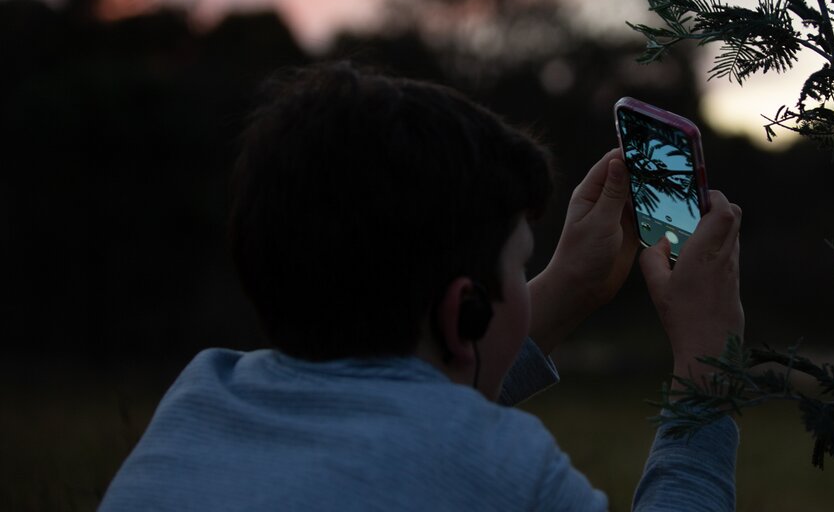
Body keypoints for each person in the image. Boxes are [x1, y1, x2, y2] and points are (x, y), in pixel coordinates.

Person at [99, 62, 745, 511]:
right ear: (462, 308)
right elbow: (437, 421)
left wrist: (566, 289)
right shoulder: (508, 469)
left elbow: (410, 387)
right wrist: (706, 375)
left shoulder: (199, 401)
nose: (528, 281)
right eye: (521, 266)